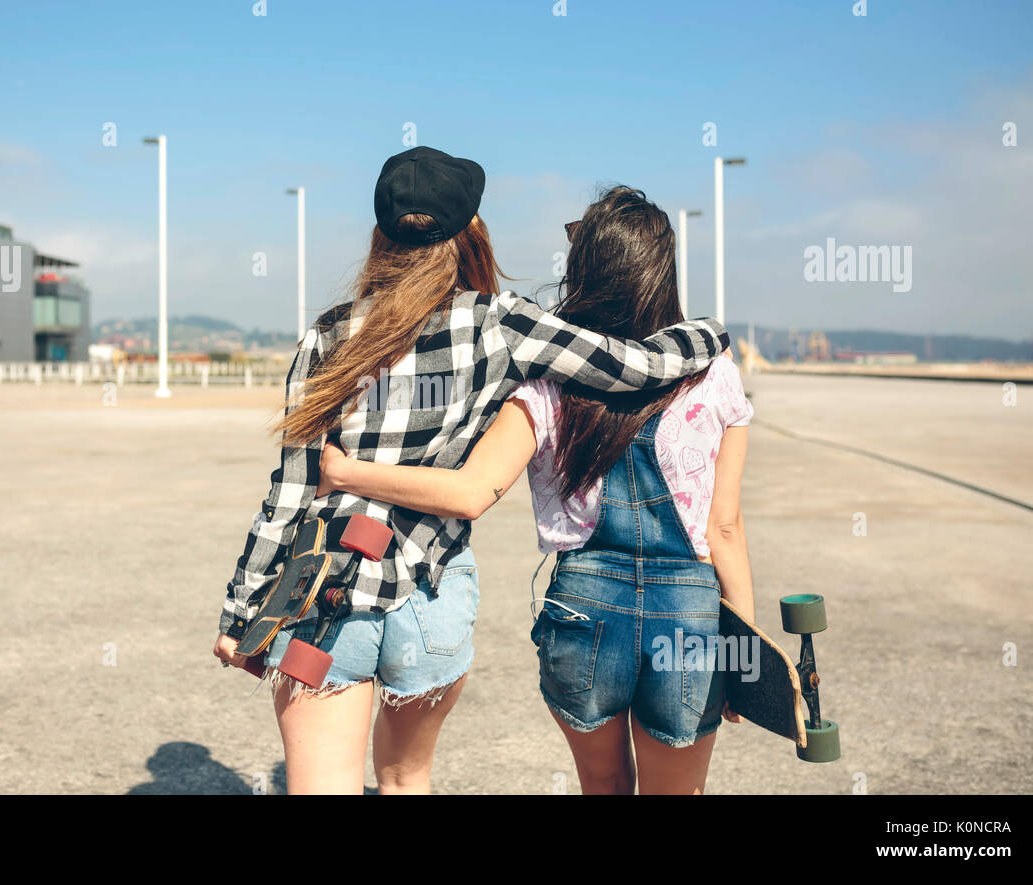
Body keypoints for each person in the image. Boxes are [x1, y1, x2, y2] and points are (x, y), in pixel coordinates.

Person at [214, 152, 729, 795]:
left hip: (324, 589)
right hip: (429, 592)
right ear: (471, 233)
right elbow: (634, 367)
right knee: (406, 778)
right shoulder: (500, 322)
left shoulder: (327, 337)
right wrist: (708, 335)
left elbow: (288, 490)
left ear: (382, 238)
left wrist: (240, 615)